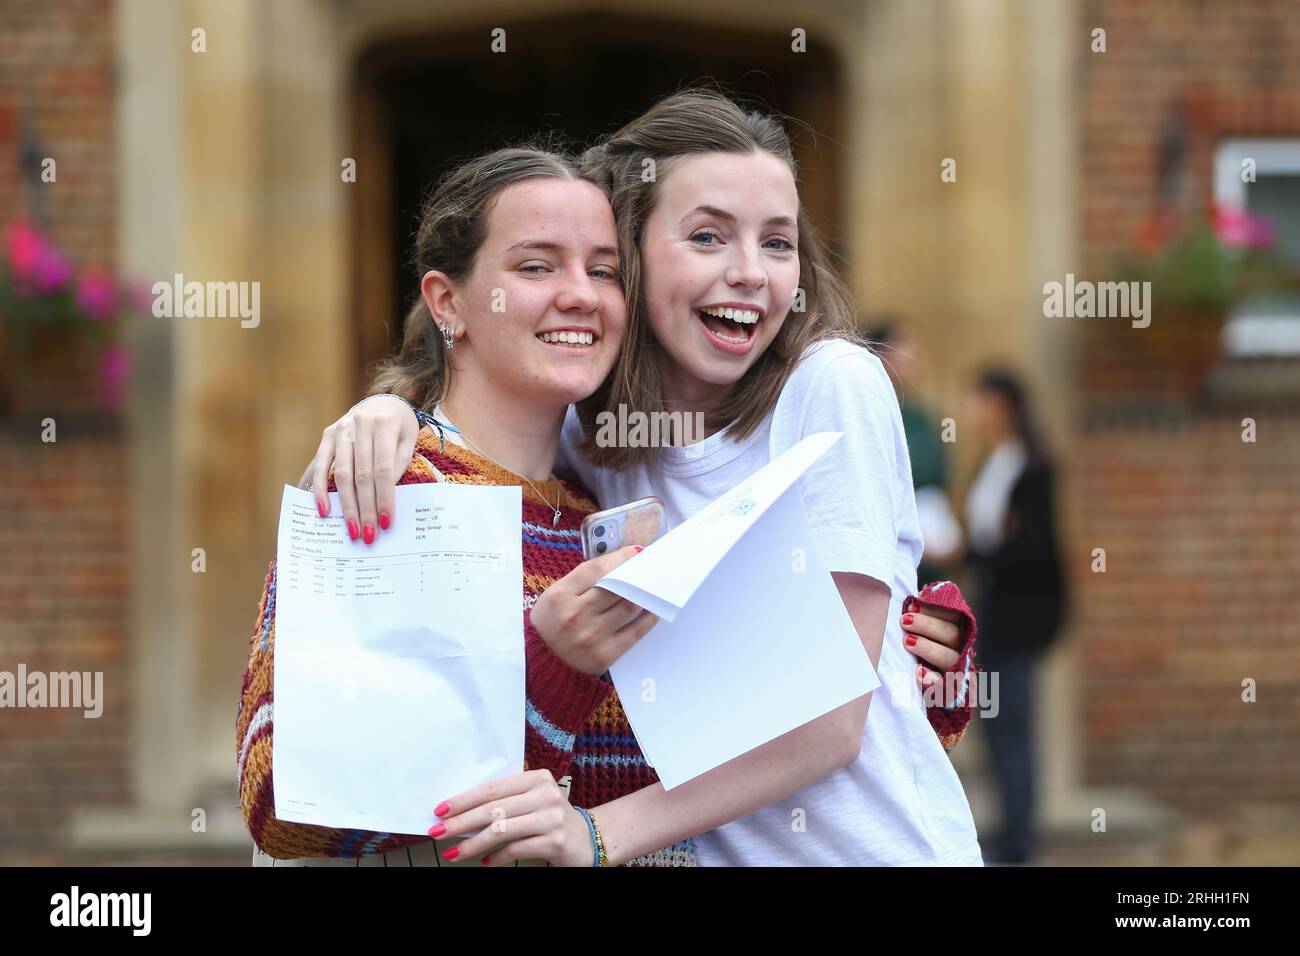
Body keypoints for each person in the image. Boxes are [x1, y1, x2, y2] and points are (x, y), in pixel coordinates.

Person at [302, 89, 983, 865]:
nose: (750, 273)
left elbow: (832, 722)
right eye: (707, 236)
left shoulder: (831, 384)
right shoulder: (593, 437)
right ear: (631, 251)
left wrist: (598, 835)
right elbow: (484, 401)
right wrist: (393, 410)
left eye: (778, 243)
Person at [963, 368, 1066, 864]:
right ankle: (1007, 834)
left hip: (1018, 618)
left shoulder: (1032, 466)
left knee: (1016, 727)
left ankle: (1020, 844)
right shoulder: (992, 461)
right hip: (990, 612)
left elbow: (1034, 549)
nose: (970, 410)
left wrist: (982, 552)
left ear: (1001, 403)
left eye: (978, 399)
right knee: (995, 725)